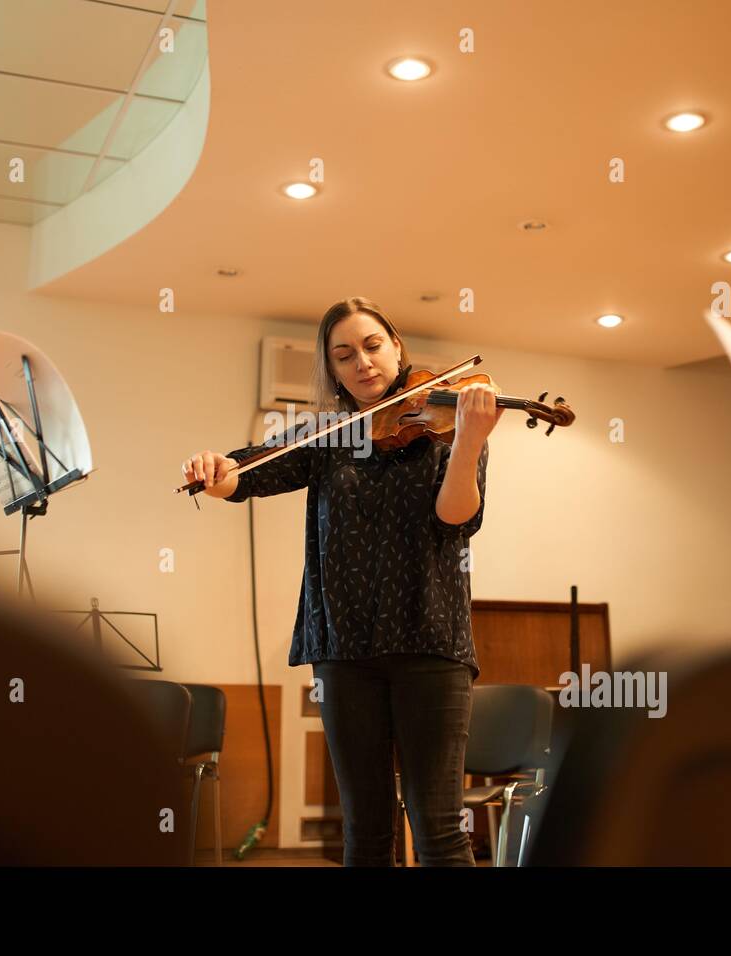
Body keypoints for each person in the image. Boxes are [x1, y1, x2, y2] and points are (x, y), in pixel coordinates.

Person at [181, 296, 503, 866]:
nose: (363, 363)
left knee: (438, 828)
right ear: (332, 368)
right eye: (344, 354)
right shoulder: (328, 436)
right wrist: (216, 470)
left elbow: (456, 519)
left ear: (397, 346)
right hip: (343, 646)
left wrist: (473, 438)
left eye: (373, 346)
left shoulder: (449, 419)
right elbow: (250, 474)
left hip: (429, 640)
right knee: (366, 829)